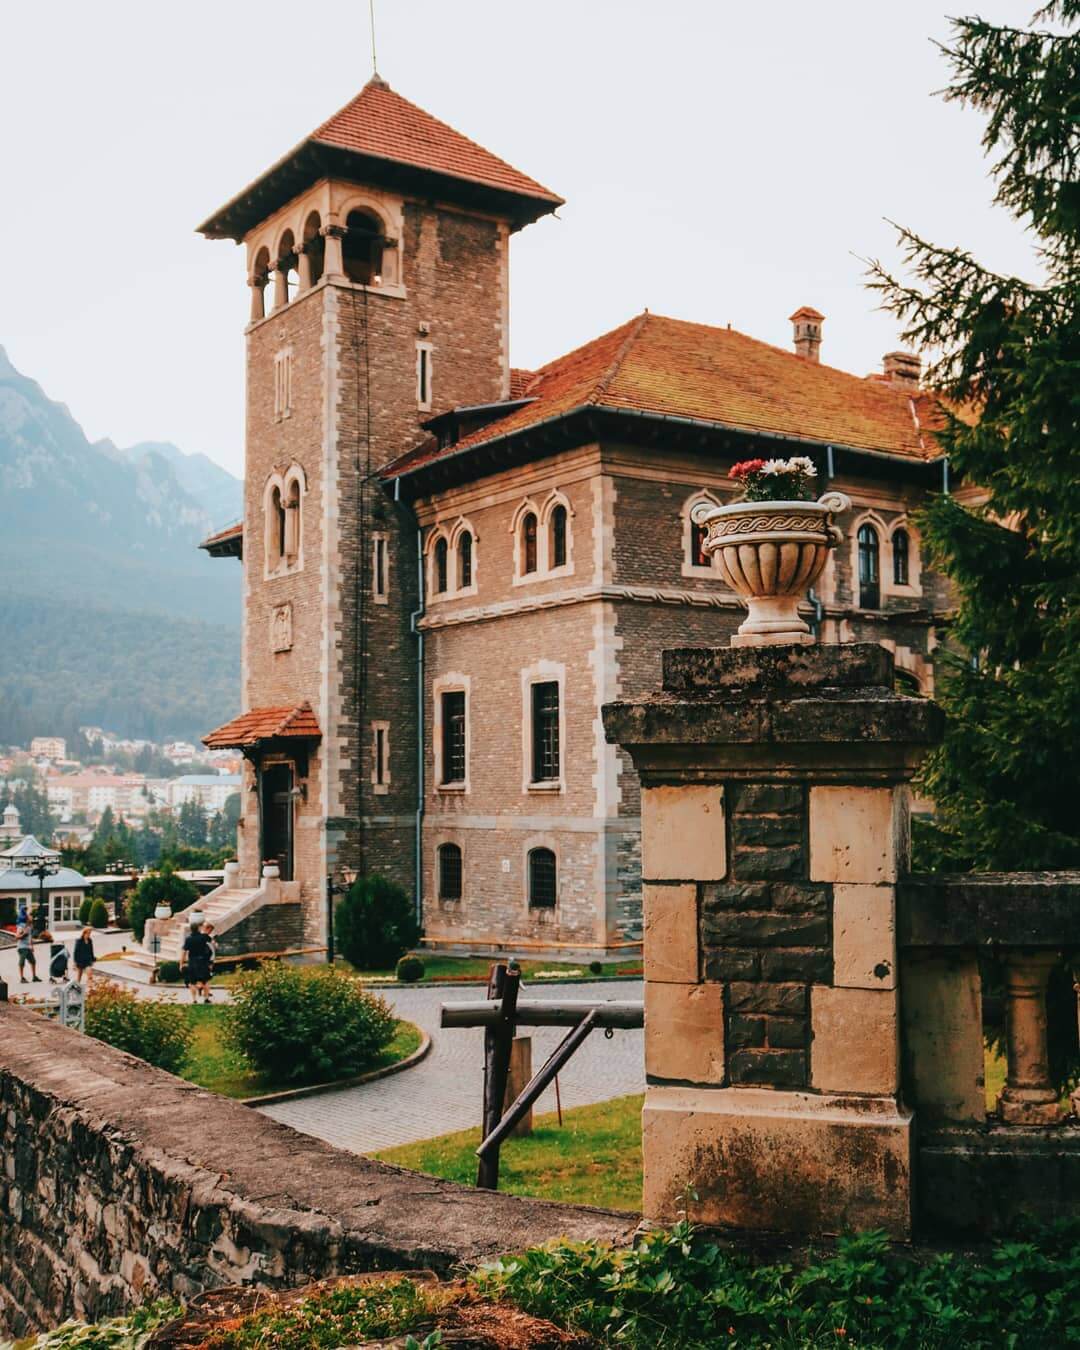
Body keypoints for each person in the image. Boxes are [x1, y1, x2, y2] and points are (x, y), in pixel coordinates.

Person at [181, 915, 213, 1004]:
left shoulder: (188, 939)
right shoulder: (203, 937)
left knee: (192, 982)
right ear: (198, 928)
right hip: (203, 961)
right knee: (205, 980)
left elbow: (184, 952)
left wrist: (181, 963)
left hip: (192, 962)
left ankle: (194, 999)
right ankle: (206, 998)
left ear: (191, 929)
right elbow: (211, 942)